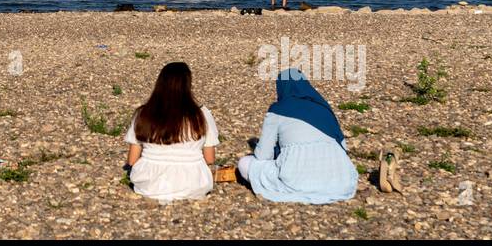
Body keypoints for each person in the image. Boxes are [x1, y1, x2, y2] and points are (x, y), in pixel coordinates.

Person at [237, 68, 358, 204]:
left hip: (295, 180)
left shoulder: (277, 110)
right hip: (339, 181)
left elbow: (263, 155)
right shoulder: (324, 109)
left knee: (244, 163)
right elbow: (342, 147)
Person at [124, 62, 219, 202]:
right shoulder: (201, 114)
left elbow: (132, 160)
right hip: (193, 183)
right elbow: (210, 159)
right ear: (188, 85)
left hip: (149, 184)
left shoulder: (143, 113)